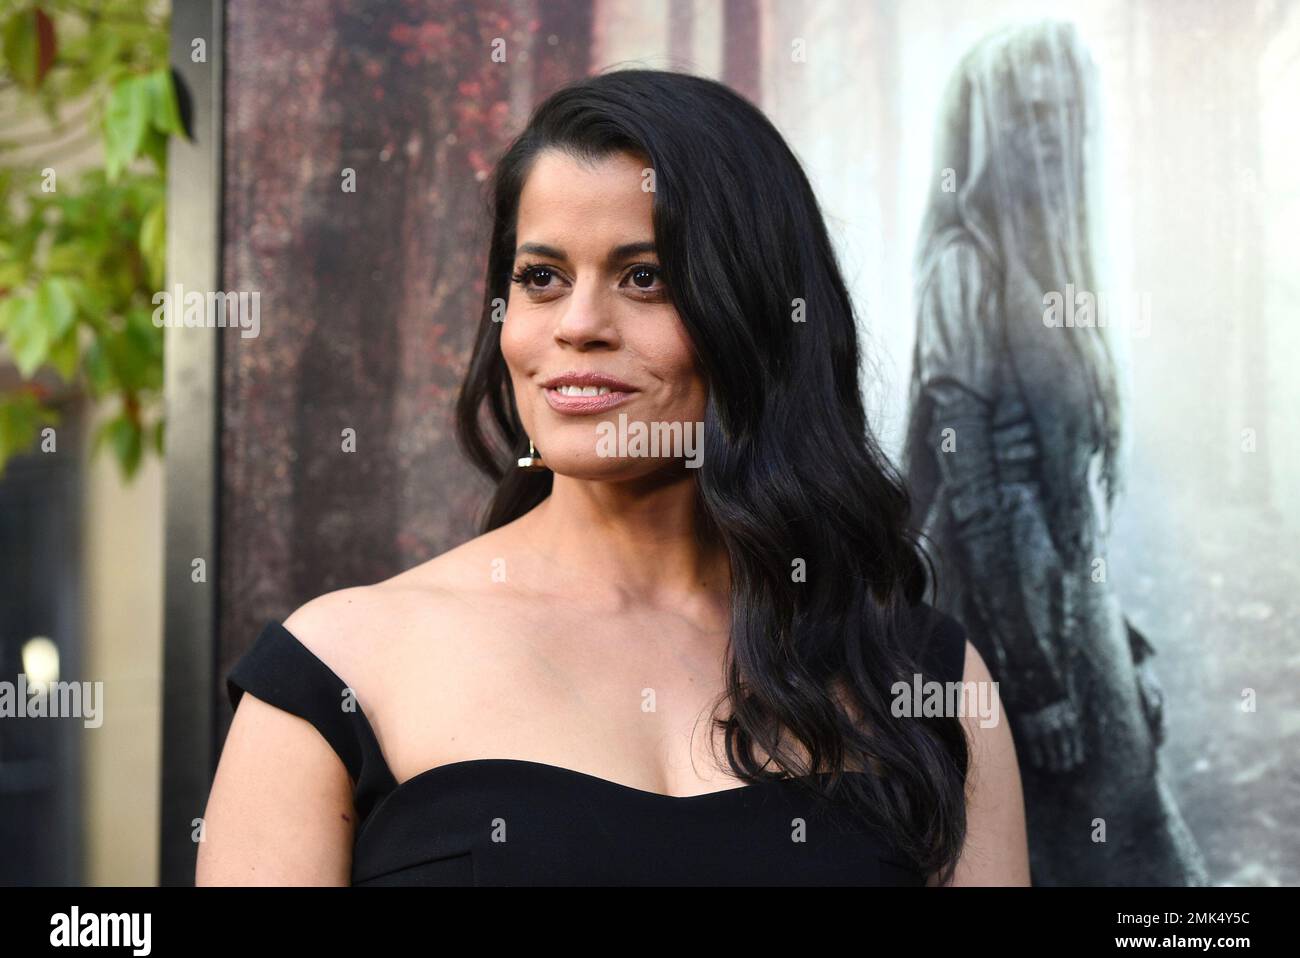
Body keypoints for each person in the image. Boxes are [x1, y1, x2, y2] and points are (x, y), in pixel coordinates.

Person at [198, 68, 1028, 886]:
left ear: (757, 316)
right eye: (541, 279)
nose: (579, 326)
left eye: (645, 277)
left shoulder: (923, 677)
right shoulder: (337, 670)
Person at [902, 21, 1208, 885]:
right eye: (1029, 113)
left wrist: (1126, 646)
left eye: (1064, 112)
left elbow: (1072, 505)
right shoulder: (966, 268)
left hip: (1075, 635)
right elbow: (979, 499)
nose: (1051, 133)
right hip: (1007, 649)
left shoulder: (1052, 270)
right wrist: (1036, 690)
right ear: (986, 130)